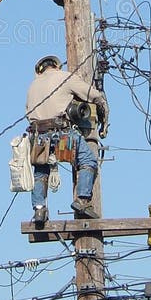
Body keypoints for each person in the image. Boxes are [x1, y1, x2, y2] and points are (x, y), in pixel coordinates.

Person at [26, 55, 109, 224]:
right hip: (61, 133)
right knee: (88, 161)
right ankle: (82, 201)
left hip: (39, 136)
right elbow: (93, 95)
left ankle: (39, 210)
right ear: (56, 66)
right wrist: (102, 112)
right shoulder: (65, 77)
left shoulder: (33, 85)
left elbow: (29, 112)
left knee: (41, 172)